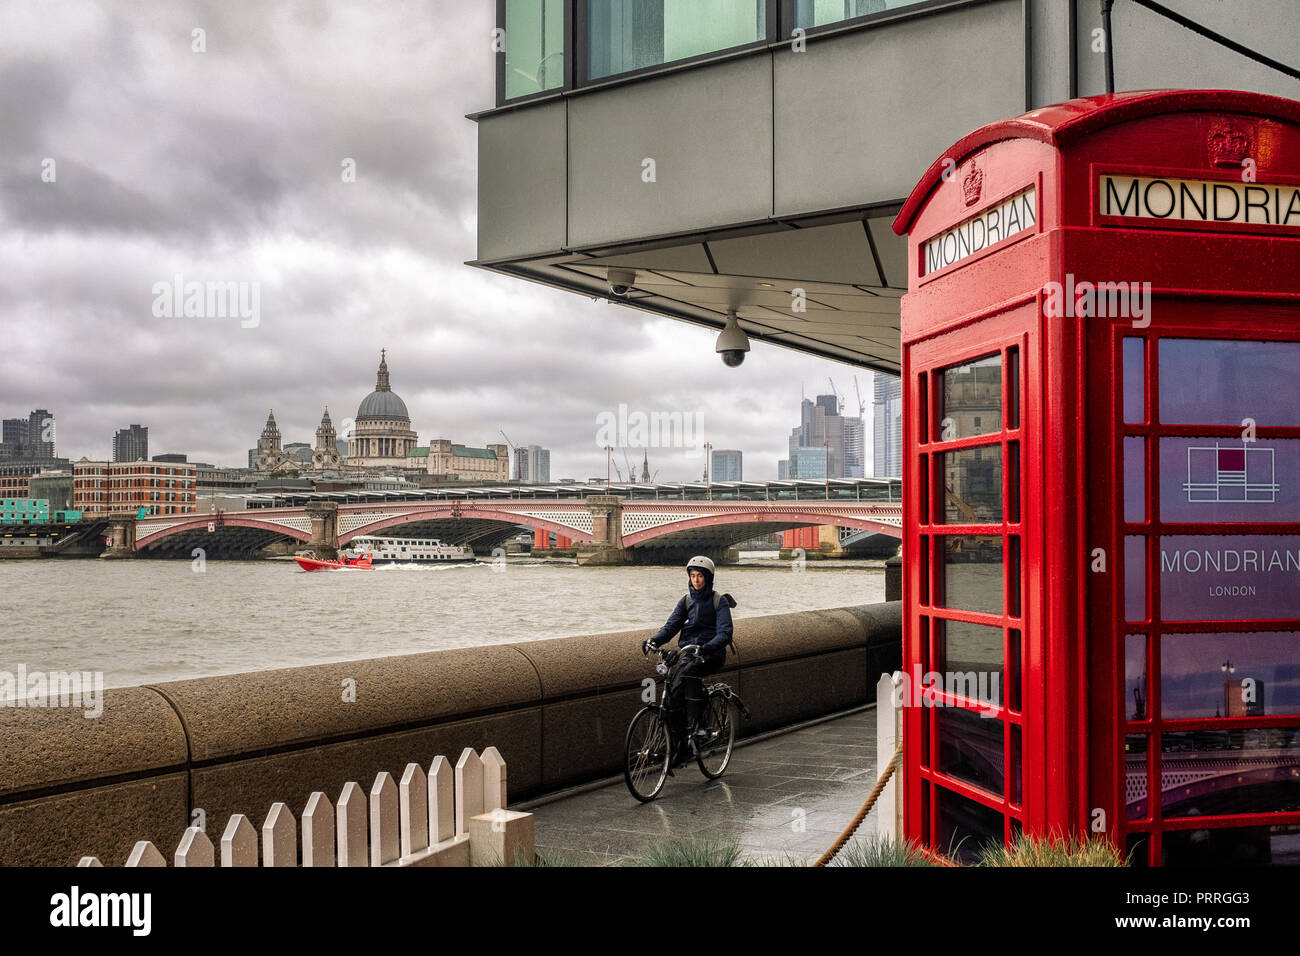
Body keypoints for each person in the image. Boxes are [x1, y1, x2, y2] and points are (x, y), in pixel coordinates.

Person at [643, 555, 733, 765]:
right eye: (692, 576)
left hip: (712, 654)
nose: (696, 580)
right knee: (673, 696)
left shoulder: (720, 601)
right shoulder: (686, 601)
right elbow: (671, 626)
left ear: (708, 578)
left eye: (700, 576)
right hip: (690, 654)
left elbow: (725, 632)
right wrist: (654, 640)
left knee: (690, 673)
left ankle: (699, 726)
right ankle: (681, 747)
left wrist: (708, 646)